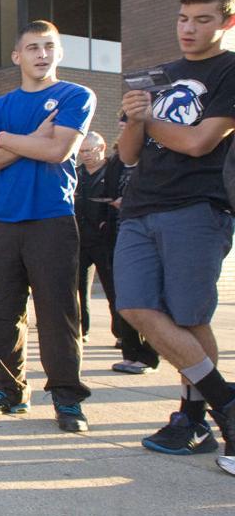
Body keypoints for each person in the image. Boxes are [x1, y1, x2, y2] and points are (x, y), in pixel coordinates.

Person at [115, 0, 235, 463]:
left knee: (189, 316)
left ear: (227, 22)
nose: (188, 28)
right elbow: (127, 155)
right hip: (141, 206)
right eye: (183, 18)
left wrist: (149, 121)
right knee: (135, 307)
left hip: (197, 206)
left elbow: (197, 142)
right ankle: (226, 403)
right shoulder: (160, 72)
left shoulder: (230, 70)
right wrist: (133, 119)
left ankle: (193, 417)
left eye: (202, 20)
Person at [0, 20, 95, 432]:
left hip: (51, 220)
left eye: (49, 47)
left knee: (58, 314)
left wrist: (5, 139)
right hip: (2, 219)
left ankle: (67, 398)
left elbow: (58, 150)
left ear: (59, 53)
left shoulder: (75, 95)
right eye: (33, 47)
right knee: (3, 313)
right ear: (16, 56)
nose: (42, 54)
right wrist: (29, 141)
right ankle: (9, 390)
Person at [104, 114, 160, 372]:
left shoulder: (153, 152)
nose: (123, 129)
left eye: (128, 124)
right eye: (122, 126)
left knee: (151, 296)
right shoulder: (118, 159)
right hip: (121, 230)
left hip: (152, 228)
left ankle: (149, 355)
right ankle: (129, 352)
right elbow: (110, 188)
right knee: (123, 294)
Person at [74, 131, 111, 345]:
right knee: (78, 288)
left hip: (104, 239)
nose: (86, 155)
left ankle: (122, 333)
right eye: (82, 151)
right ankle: (81, 328)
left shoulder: (112, 172)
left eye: (89, 150)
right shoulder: (77, 174)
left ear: (102, 148)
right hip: (80, 239)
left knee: (112, 287)